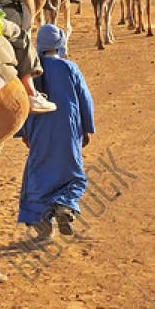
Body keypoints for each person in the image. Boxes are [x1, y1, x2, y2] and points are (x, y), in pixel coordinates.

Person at [17, 23, 95, 239]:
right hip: (69, 130)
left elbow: (23, 101)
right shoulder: (71, 68)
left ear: (39, 45)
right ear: (60, 44)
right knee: (72, 172)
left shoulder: (30, 72)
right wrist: (87, 128)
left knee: (37, 175)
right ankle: (64, 205)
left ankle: (41, 222)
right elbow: (85, 100)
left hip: (39, 130)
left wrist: (23, 132)